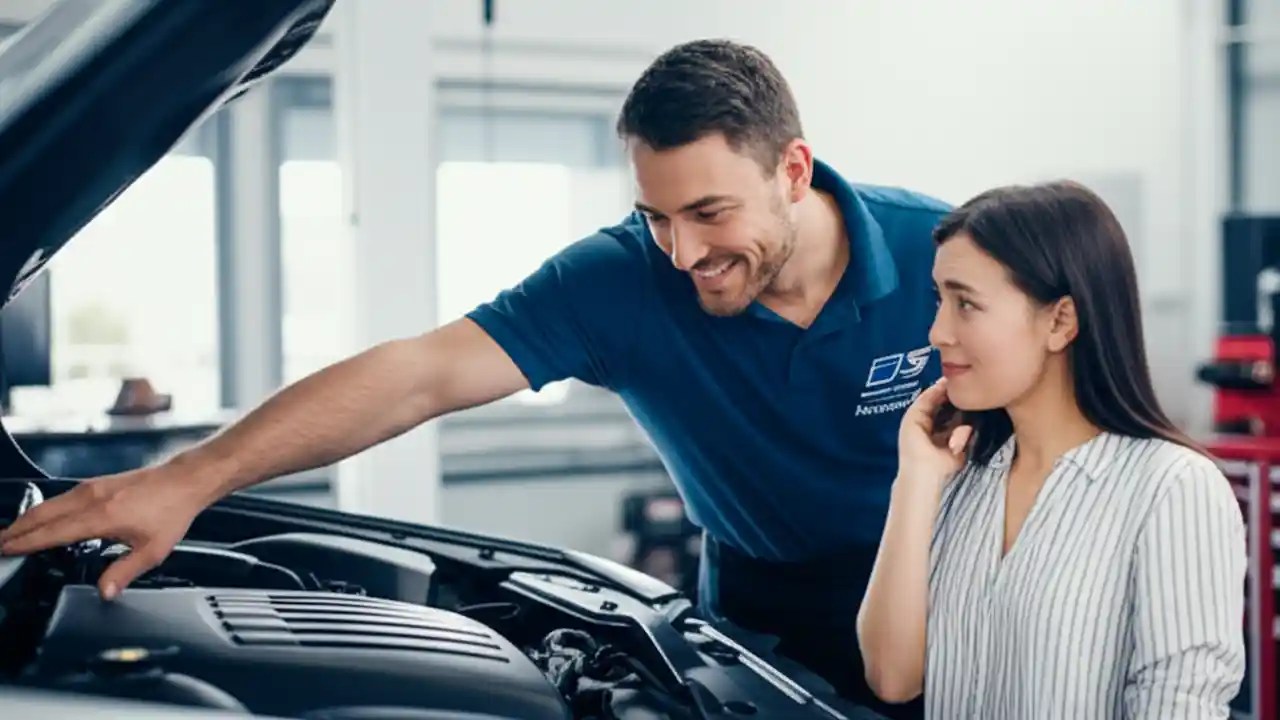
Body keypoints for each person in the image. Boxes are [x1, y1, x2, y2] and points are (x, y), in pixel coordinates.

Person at [0, 39, 946, 715]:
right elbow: (418, 374)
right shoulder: (619, 278)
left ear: (793, 167)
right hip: (753, 612)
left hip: (941, 595)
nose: (685, 250)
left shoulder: (944, 252)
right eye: (657, 215)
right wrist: (185, 480)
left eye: (708, 210)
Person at [856, 181, 1247, 718]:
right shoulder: (963, 477)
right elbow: (891, 678)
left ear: (1060, 321)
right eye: (938, 300)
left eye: (966, 303)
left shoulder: (1172, 489)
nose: (937, 332)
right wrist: (915, 481)